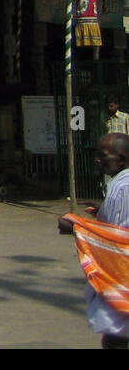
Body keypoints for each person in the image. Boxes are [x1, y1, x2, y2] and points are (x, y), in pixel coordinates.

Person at [59, 133, 129, 348]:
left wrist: (77, 228)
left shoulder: (122, 186)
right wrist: (102, 210)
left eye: (103, 155)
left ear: (123, 159)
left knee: (116, 339)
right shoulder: (120, 183)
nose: (97, 160)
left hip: (121, 278)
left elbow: (115, 240)